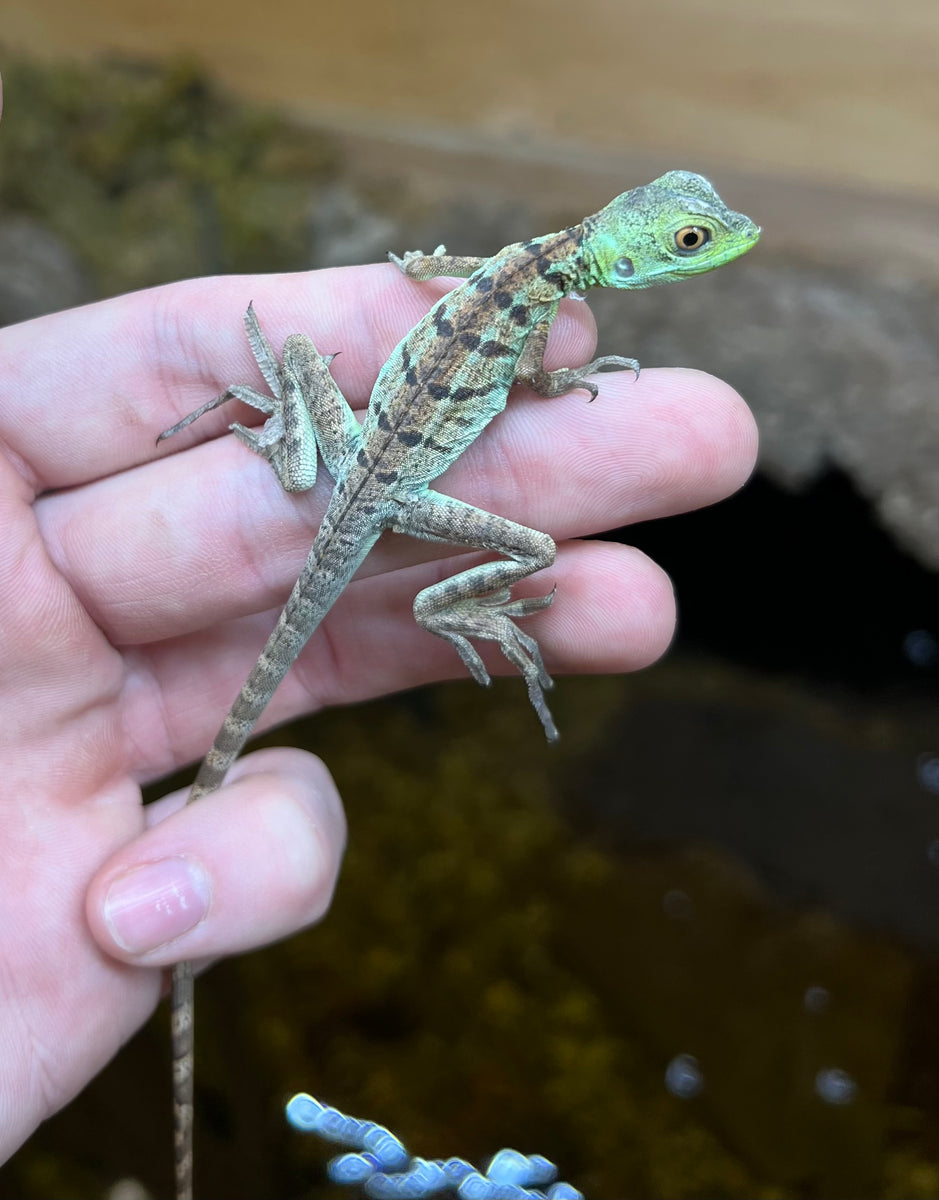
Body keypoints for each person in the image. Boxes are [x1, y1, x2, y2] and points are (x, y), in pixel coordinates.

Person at [0, 69, 758, 1166]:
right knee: (534, 549)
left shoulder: (517, 265)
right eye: (690, 238)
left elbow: (435, 286)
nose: (713, 243)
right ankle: (455, 606)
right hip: (395, 492)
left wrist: (420, 281)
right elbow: (530, 380)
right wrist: (547, 382)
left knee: (311, 375)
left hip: (349, 450)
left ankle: (285, 426)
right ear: (628, 252)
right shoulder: (540, 304)